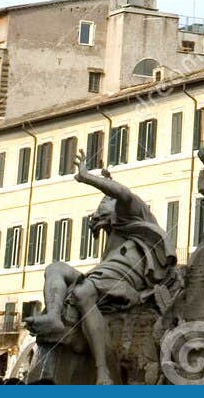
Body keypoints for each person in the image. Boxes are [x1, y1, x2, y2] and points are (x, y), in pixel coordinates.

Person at [25, 157, 179, 385]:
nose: (99, 210)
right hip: (106, 276)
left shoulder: (131, 212)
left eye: (104, 202)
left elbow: (123, 194)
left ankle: (102, 371)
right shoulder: (115, 235)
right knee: (55, 268)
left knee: (82, 293)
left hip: (127, 278)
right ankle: (54, 317)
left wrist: (88, 178)